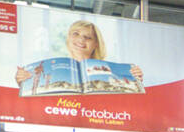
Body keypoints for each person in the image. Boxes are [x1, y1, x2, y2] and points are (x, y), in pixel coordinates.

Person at [14, 20, 144, 86]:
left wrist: (135, 79)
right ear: (68, 38)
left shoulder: (111, 70)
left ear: (96, 44)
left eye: (88, 37)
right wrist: (24, 81)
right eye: (76, 34)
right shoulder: (50, 68)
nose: (81, 40)